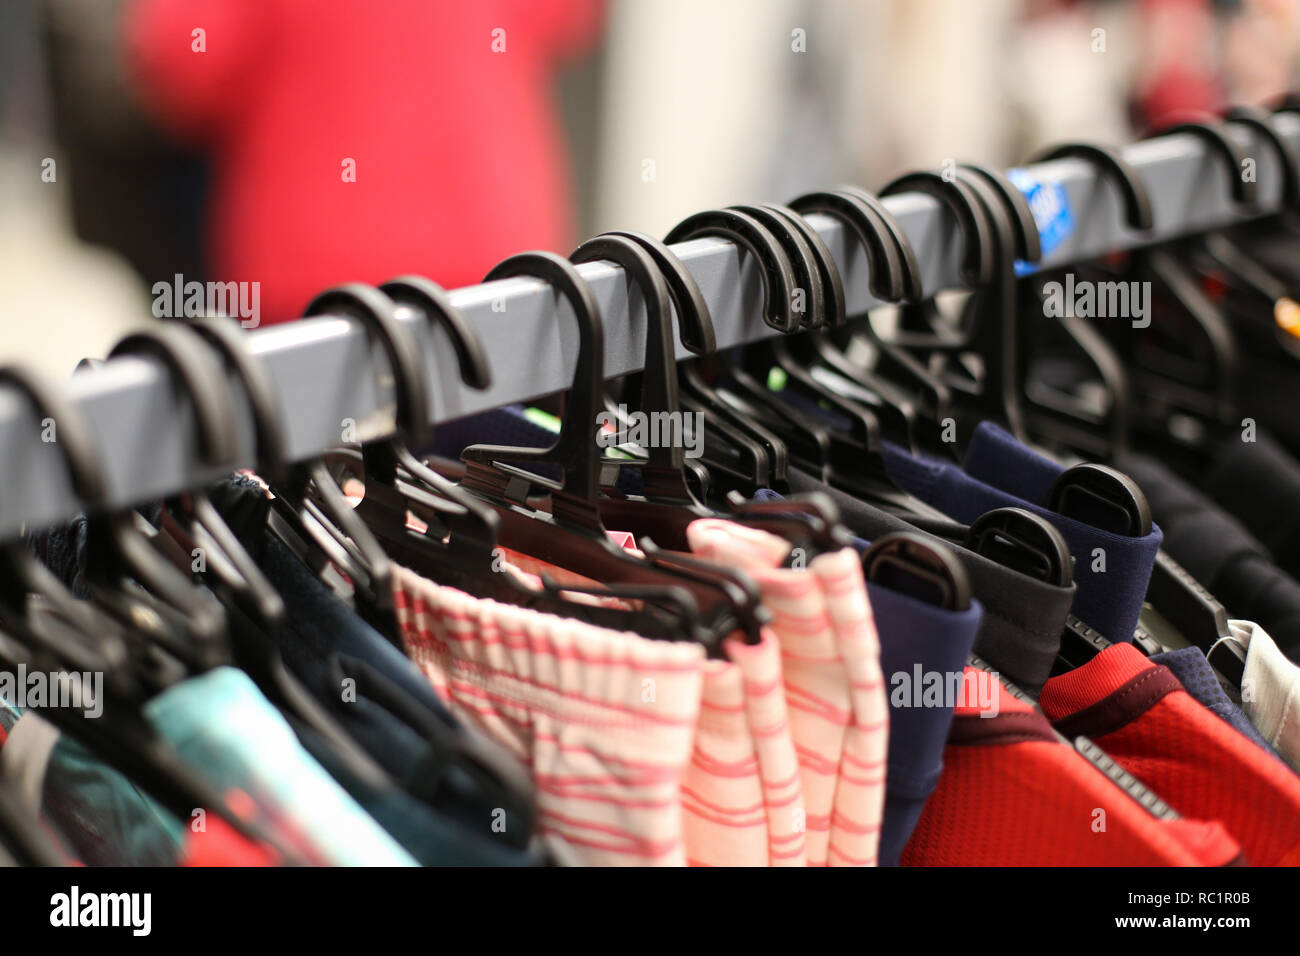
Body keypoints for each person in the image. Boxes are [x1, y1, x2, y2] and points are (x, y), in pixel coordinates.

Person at [124, 0, 603, 325]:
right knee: (498, 467)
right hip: (495, 257)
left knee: (325, 474)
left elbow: (184, 63)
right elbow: (564, 19)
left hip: (318, 283)